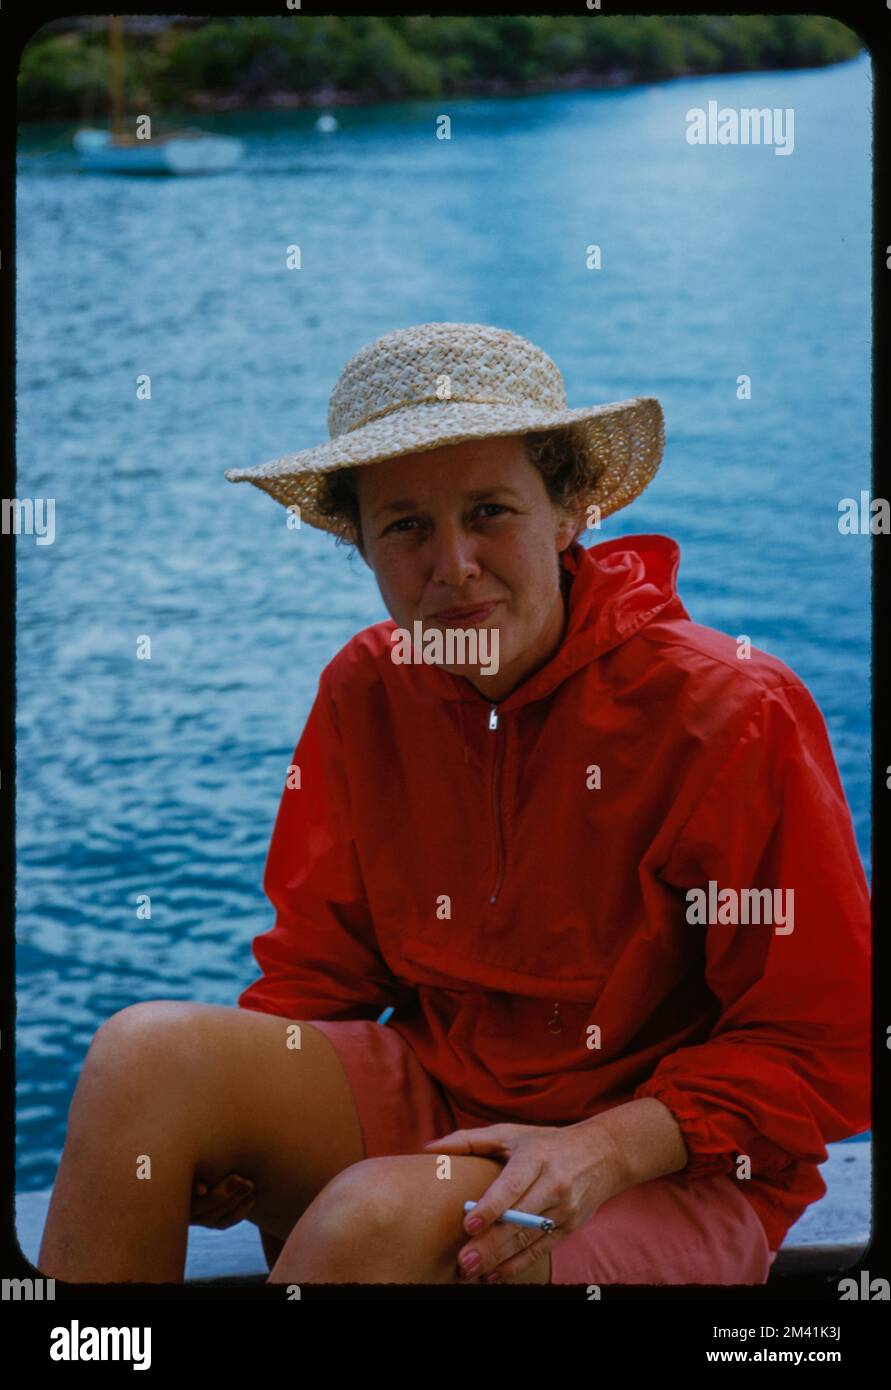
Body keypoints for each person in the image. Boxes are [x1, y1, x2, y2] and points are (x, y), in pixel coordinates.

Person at [38, 322, 870, 1286]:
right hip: (444, 1103)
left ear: (569, 514)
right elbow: (319, 974)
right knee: (142, 1059)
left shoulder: (726, 709)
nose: (454, 563)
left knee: (373, 1222)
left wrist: (605, 1147)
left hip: (670, 1164)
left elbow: (827, 1040)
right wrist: (237, 1126)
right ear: (359, 545)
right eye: (405, 526)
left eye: (489, 511)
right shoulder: (367, 689)